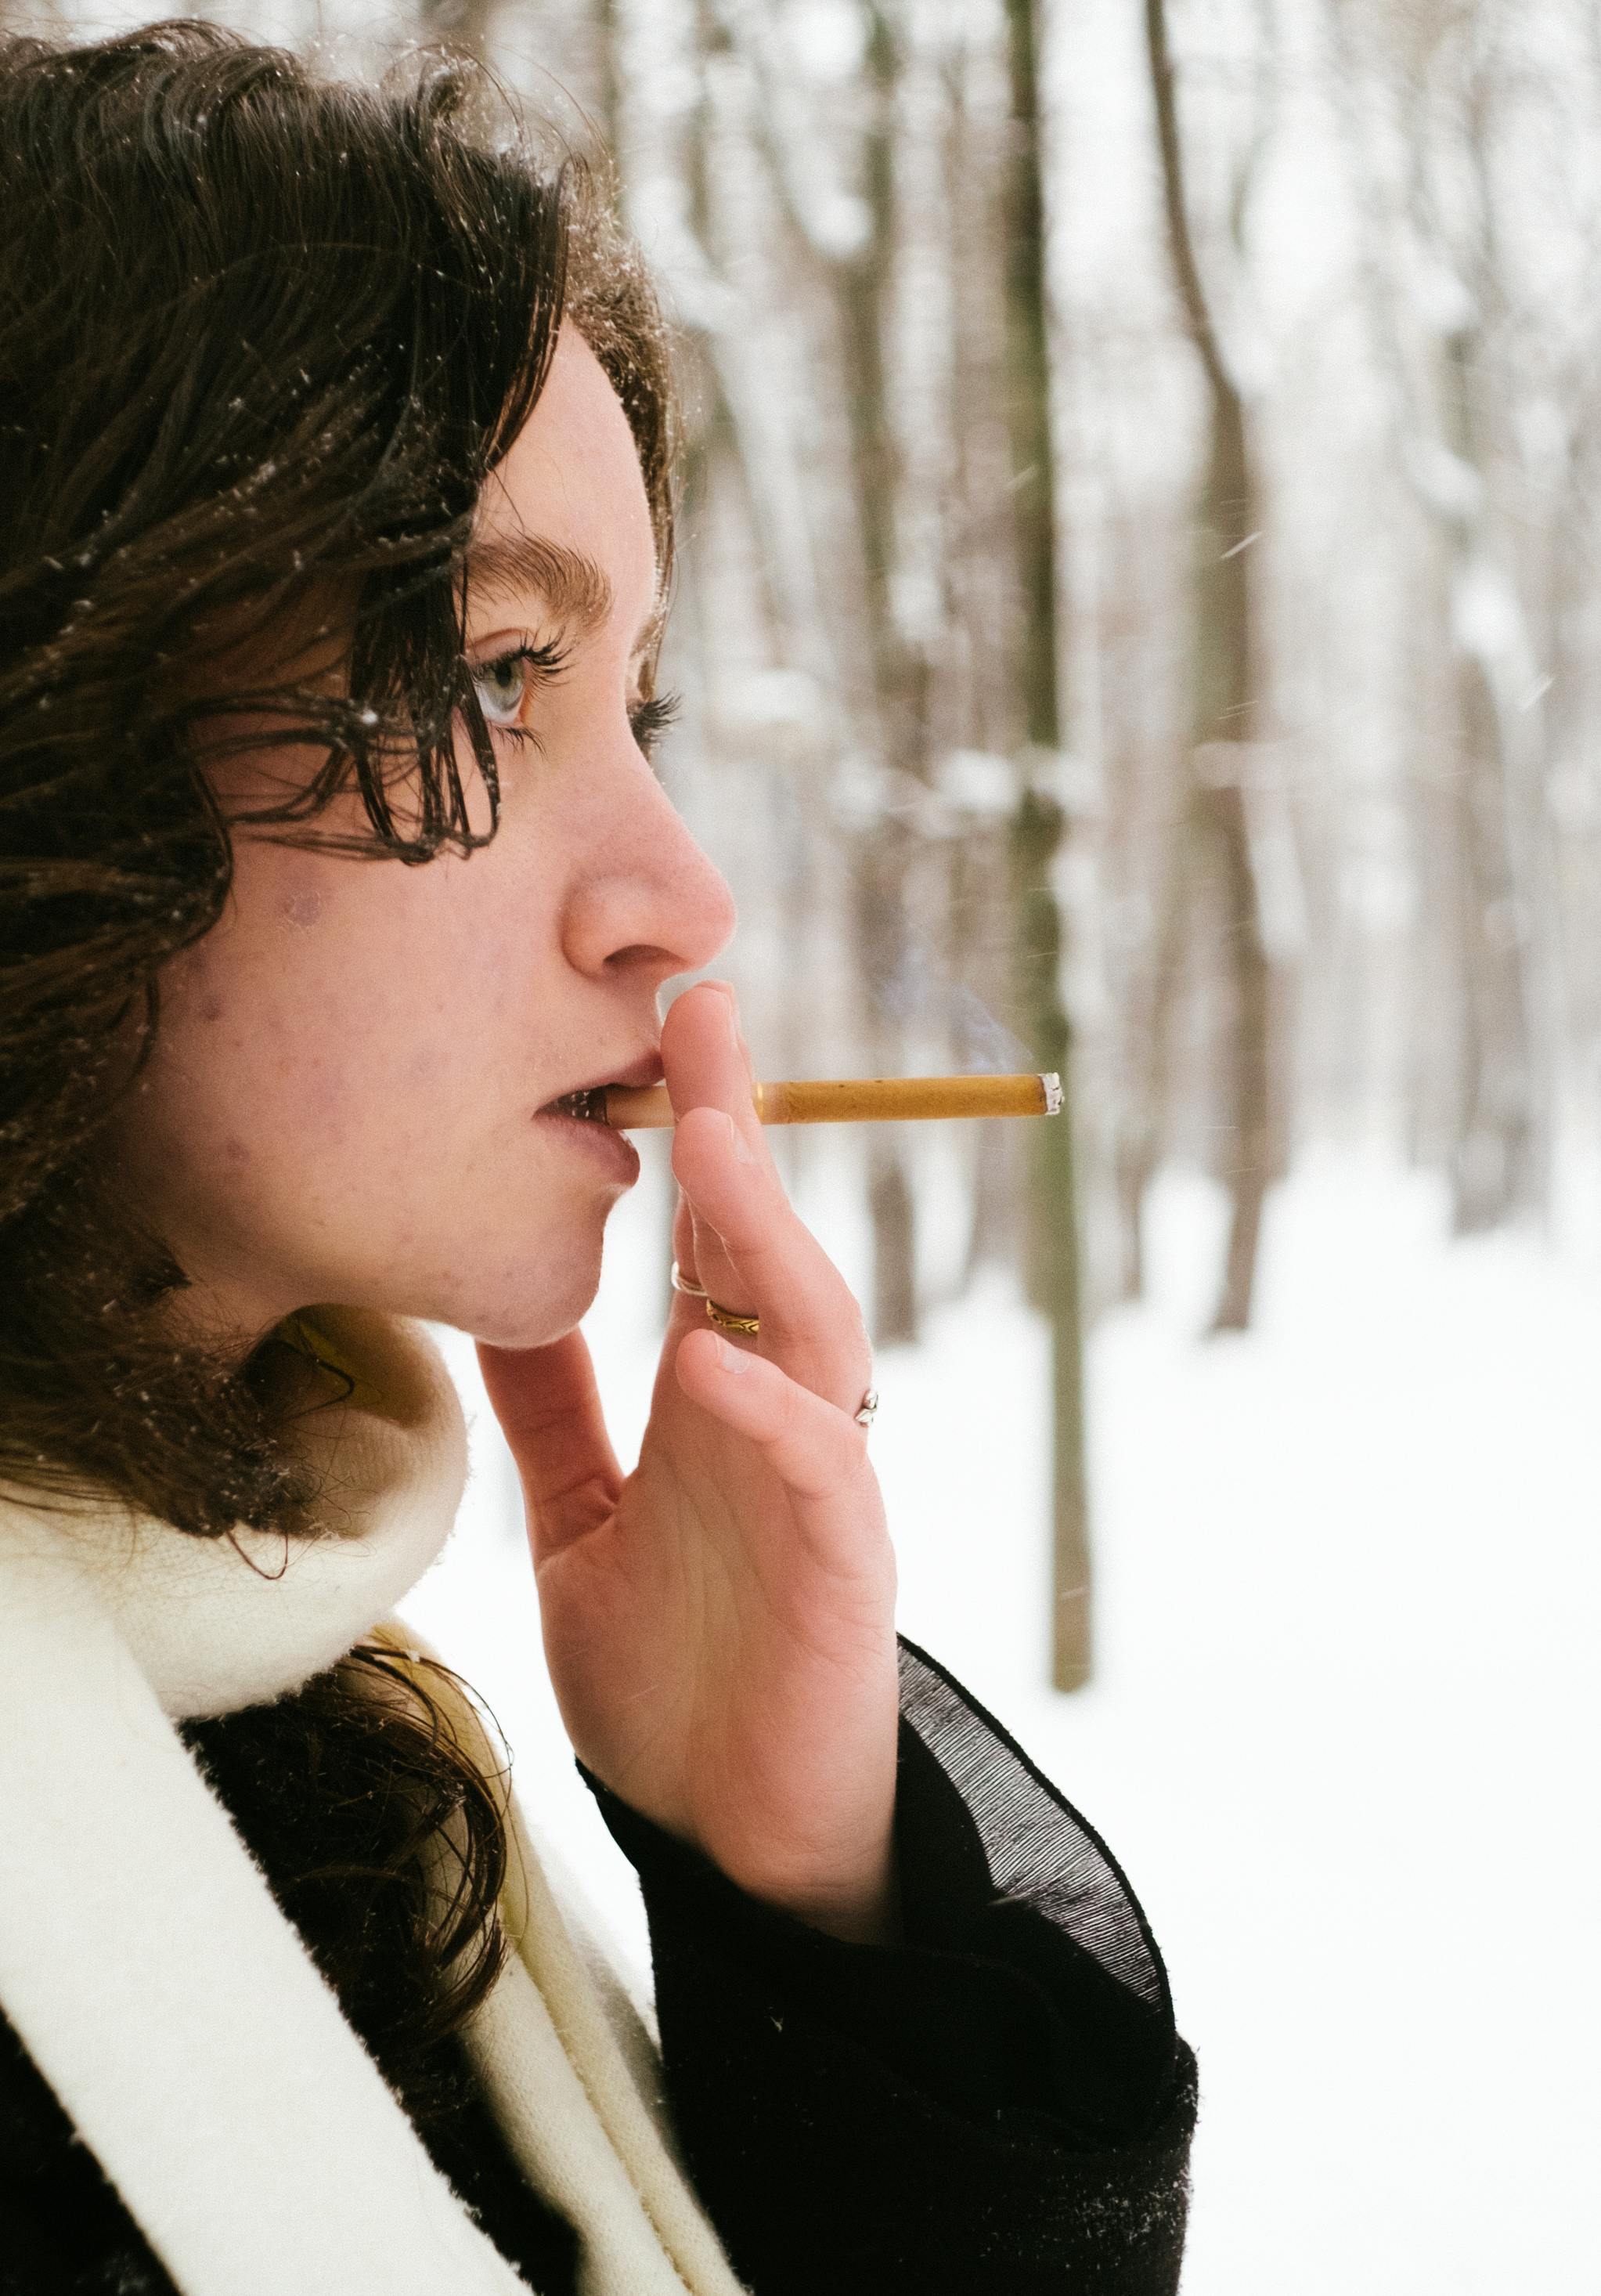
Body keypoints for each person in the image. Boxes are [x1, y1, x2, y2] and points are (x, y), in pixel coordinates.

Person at [0, 23, 1196, 2294]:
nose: (681, 891)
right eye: (481, 675)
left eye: (628, 696)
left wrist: (804, 1890)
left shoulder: (316, 1746)